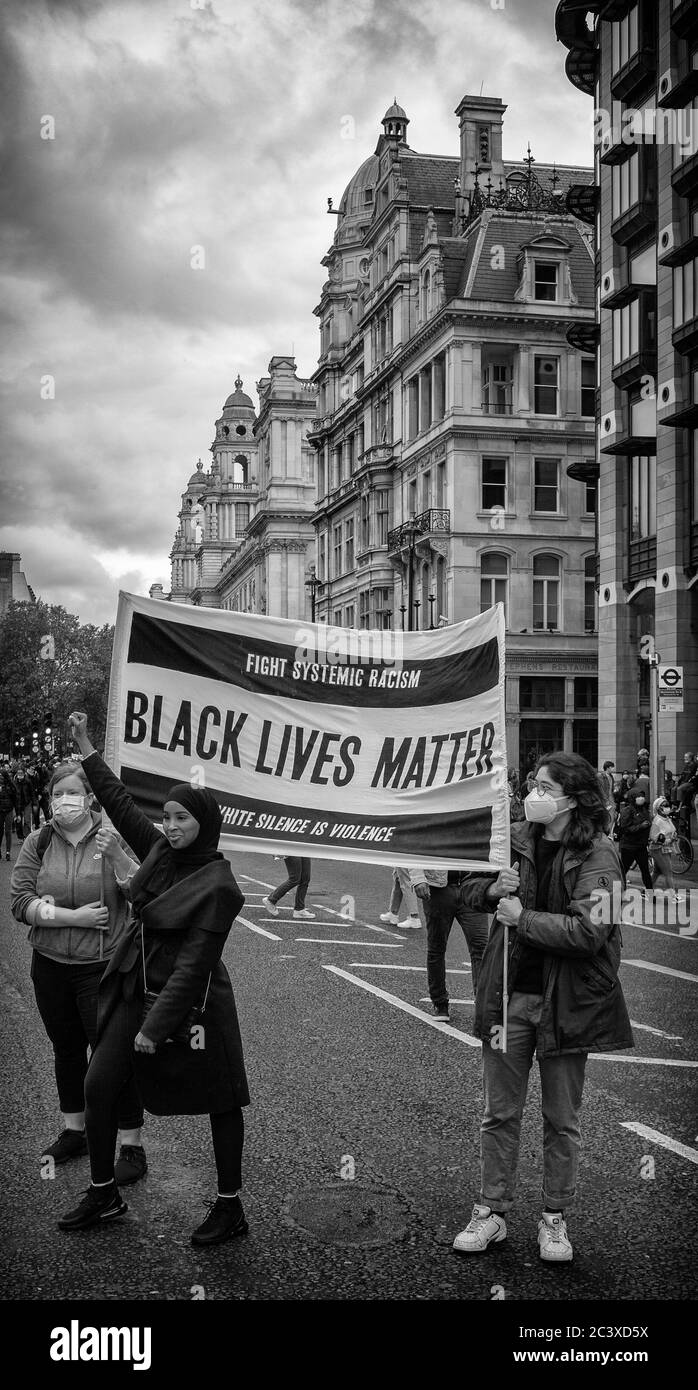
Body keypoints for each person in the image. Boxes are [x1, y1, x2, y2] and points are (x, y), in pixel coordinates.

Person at [57, 712, 250, 1246]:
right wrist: (86, 747)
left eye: (182, 818)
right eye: (166, 816)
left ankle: (230, 1206)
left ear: (204, 823)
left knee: (222, 1101)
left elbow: (194, 966)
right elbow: (119, 802)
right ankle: (104, 1193)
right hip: (132, 984)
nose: (171, 826)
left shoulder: (220, 885)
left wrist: (153, 1029)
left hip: (193, 1007)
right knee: (98, 1086)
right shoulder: (161, 850)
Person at [449, 752, 632, 1263]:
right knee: (499, 1112)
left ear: (573, 799)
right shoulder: (511, 837)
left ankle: (554, 1218)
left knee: (561, 1117)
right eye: (532, 782)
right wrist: (490, 889)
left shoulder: (603, 854)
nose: (534, 792)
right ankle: (492, 1212)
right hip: (508, 998)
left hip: (568, 1003)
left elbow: (591, 931)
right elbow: (467, 886)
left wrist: (521, 916)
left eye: (545, 786)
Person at [10, 759, 146, 1180]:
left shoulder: (112, 838)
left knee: (110, 1056)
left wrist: (120, 858)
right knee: (66, 1048)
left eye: (71, 793)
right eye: (56, 794)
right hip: (49, 964)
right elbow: (20, 902)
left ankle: (131, 1146)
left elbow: (142, 893)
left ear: (90, 798)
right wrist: (74, 918)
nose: (62, 801)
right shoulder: (38, 840)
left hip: (102, 967)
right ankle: (76, 1131)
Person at [409, 868, 489, 1020]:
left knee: (482, 949)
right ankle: (440, 1003)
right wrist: (418, 878)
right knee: (436, 948)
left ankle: (483, 1005)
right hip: (438, 888)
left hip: (473, 885)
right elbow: (416, 846)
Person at [618, 787, 653, 890]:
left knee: (645, 871)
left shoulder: (644, 810)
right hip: (629, 846)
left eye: (642, 796)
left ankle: (650, 894)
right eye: (638, 796)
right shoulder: (627, 811)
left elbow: (648, 824)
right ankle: (616, 893)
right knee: (623, 871)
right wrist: (640, 827)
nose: (641, 798)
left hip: (641, 846)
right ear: (633, 798)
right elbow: (625, 829)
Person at [649, 796, 678, 900]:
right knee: (668, 872)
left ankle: (645, 891)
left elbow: (672, 830)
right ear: (659, 808)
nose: (668, 807)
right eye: (665, 806)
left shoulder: (667, 818)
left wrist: (674, 836)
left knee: (657, 872)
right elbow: (653, 836)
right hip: (658, 849)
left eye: (668, 805)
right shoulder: (657, 821)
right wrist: (668, 840)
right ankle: (673, 896)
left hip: (666, 849)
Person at [0, 763, 17, 861]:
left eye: (2, 776)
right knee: (0, 831)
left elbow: (15, 798)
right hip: (0, 810)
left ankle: (8, 852)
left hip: (9, 810)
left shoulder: (11, 785)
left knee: (8, 831)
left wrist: (18, 812)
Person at [13, 765, 34, 840]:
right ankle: (20, 837)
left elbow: (32, 792)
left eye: (21, 773)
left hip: (27, 803)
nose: (20, 774)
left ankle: (27, 836)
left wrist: (34, 802)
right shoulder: (14, 782)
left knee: (27, 820)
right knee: (18, 821)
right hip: (17, 804)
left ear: (24, 773)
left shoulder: (28, 781)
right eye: (18, 773)